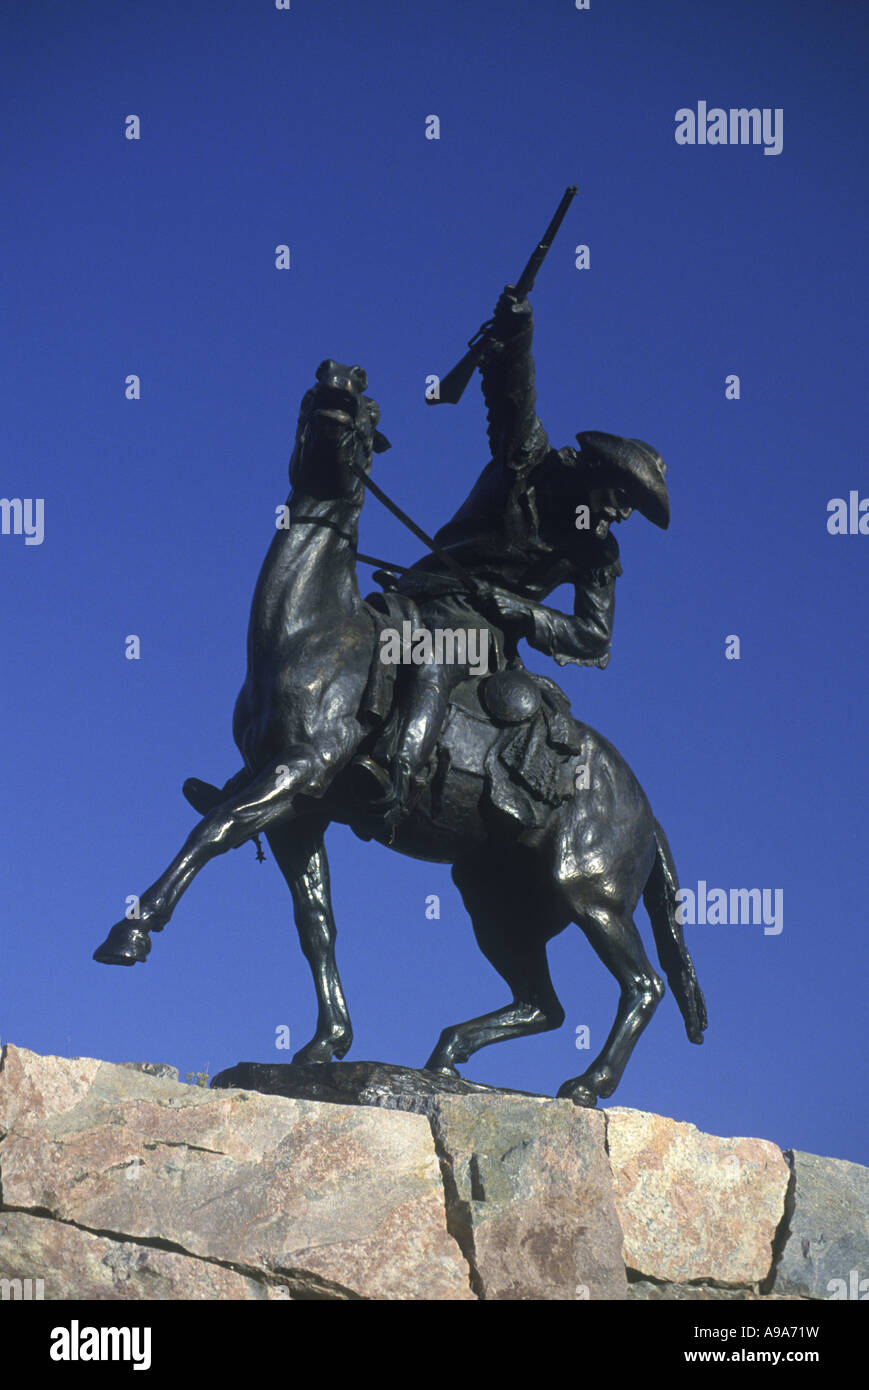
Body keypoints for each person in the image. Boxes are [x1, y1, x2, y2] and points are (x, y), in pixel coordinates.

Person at [355, 286, 670, 826]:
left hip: (485, 632)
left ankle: (393, 776)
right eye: (623, 499)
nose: (622, 515)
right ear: (599, 474)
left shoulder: (596, 551)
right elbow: (512, 396)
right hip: (422, 589)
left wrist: (515, 609)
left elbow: (593, 636)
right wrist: (519, 331)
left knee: (436, 655)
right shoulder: (529, 461)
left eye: (633, 510)